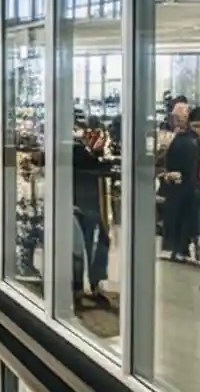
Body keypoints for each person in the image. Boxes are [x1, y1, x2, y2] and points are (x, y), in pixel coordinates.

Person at [72, 123, 113, 305]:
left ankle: (88, 284)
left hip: (91, 204)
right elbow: (93, 166)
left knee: (92, 242)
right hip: (86, 204)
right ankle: (84, 285)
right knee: (85, 244)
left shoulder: (83, 152)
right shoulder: (78, 151)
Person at [161, 105, 200, 261]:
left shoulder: (189, 140)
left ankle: (181, 249)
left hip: (187, 184)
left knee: (184, 217)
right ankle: (179, 248)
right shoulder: (182, 138)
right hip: (180, 185)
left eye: (178, 117)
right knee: (179, 217)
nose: (175, 120)